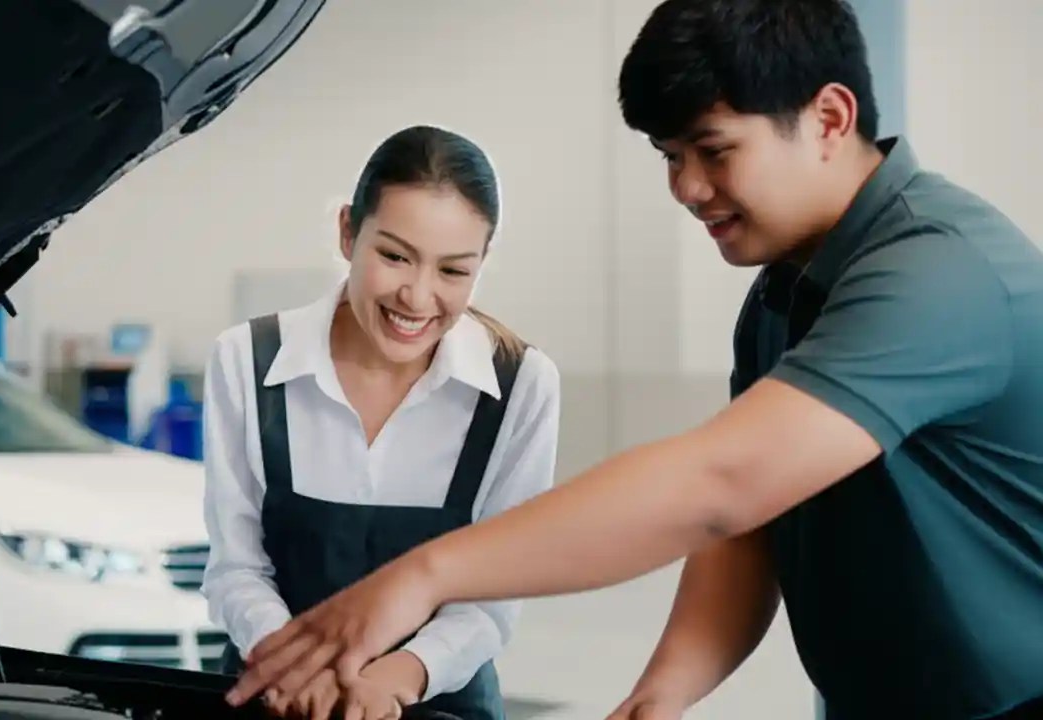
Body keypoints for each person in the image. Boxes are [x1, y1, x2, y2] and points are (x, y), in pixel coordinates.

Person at [224, 2, 1043, 719]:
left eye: (712, 149)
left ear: (829, 118)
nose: (685, 188)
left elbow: (722, 486)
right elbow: (753, 526)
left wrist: (420, 577)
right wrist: (665, 692)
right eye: (669, 156)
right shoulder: (783, 294)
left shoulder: (938, 274)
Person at [200, 124, 561, 720]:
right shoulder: (247, 360)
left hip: (441, 705)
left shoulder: (521, 384)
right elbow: (237, 568)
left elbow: (493, 596)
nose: (417, 298)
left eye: (453, 271)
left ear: (482, 263)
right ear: (348, 232)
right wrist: (299, 670)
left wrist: (391, 682)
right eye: (394, 256)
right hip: (278, 696)